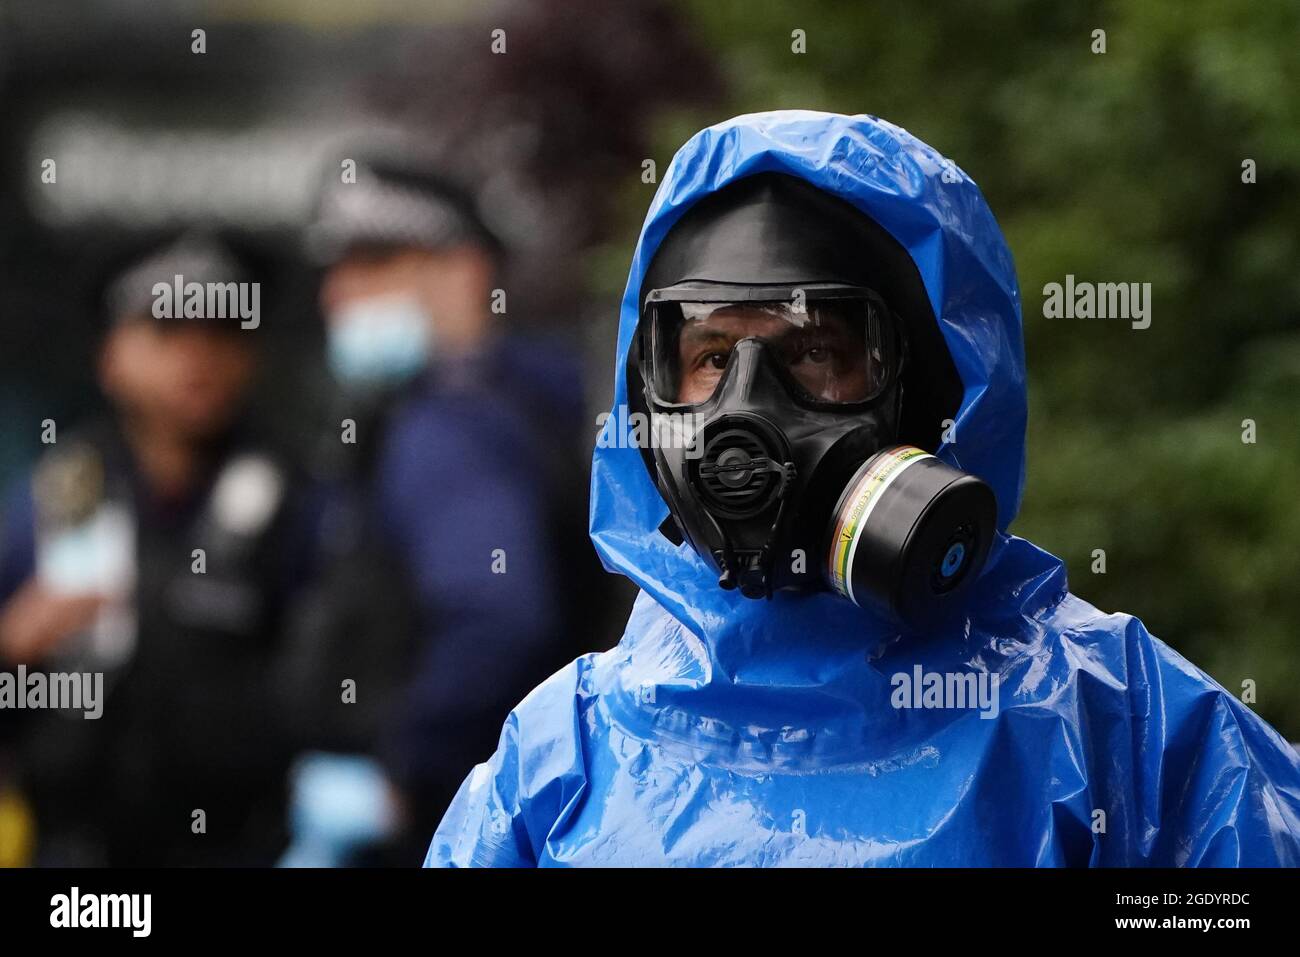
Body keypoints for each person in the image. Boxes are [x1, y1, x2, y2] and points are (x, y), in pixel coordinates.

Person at [426, 111, 1300, 867]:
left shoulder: (1119, 730)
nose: (746, 416)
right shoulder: (562, 754)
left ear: (943, 389)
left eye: (813, 353)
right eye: (711, 358)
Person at [280, 156, 603, 864]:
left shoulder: (449, 430)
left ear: (463, 272)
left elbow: (499, 619)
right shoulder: (514, 405)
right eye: (336, 267)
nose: (339, 292)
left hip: (451, 827)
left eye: (375, 261)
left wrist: (400, 769)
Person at [0, 231, 310, 865]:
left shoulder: (303, 503)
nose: (198, 356)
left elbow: (340, 687)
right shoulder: (55, 498)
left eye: (222, 333)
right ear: (109, 358)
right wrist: (12, 652)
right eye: (167, 333)